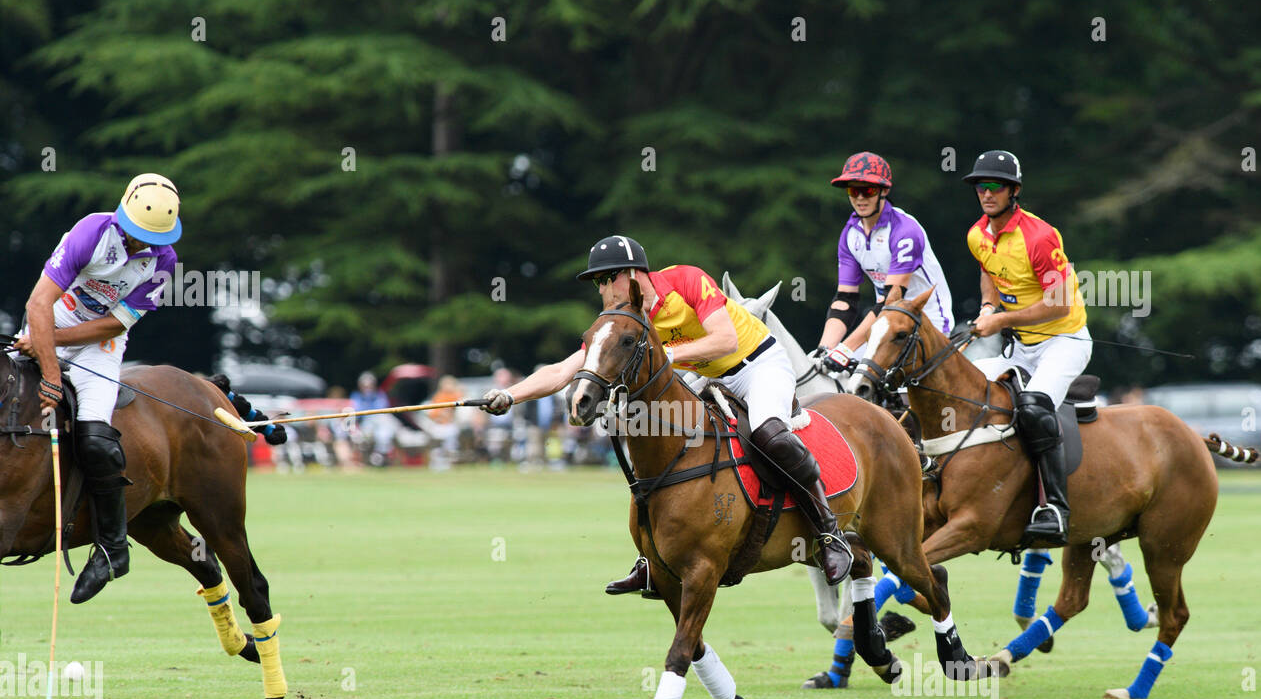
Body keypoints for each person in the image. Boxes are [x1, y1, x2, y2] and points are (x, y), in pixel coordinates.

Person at [482, 234, 853, 590]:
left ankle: (828, 531)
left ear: (632, 274)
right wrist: (509, 395)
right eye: (597, 282)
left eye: (607, 278)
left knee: (768, 432)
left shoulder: (686, 280)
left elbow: (726, 340)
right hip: (708, 374)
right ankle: (651, 558)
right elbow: (565, 369)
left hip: (758, 364)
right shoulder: (625, 320)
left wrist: (666, 355)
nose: (602, 290)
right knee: (653, 439)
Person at [14, 173, 182, 602]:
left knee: (96, 441)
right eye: (136, 234)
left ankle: (112, 549)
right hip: (48, 319)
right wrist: (49, 369)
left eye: (150, 239)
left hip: (98, 348)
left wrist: (50, 344)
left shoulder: (164, 262)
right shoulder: (91, 231)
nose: (140, 244)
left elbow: (114, 324)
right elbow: (39, 302)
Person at [963, 150, 1092, 545]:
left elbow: (1060, 304)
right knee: (963, 392)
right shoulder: (977, 234)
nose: (987, 193)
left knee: (1034, 409)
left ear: (1014, 191)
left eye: (995, 186)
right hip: (1021, 345)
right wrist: (988, 307)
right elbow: (989, 273)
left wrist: (1000, 321)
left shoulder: (1039, 237)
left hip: (1063, 341)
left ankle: (1055, 510)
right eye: (980, 186)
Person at [814, 152, 954, 375]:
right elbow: (845, 300)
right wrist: (825, 349)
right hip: (885, 326)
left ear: (884, 191)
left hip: (928, 325)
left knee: (877, 382)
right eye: (853, 191)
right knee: (830, 375)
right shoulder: (850, 234)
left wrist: (845, 349)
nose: (860, 198)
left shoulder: (905, 231)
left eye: (868, 191)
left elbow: (891, 301)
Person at [349, 371, 396, 466]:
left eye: (370, 385)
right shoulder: (356, 396)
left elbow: (383, 409)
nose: (368, 388)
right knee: (377, 427)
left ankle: (380, 454)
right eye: (365, 386)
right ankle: (378, 455)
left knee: (384, 428)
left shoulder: (380, 395)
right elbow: (357, 412)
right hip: (364, 425)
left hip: (381, 423)